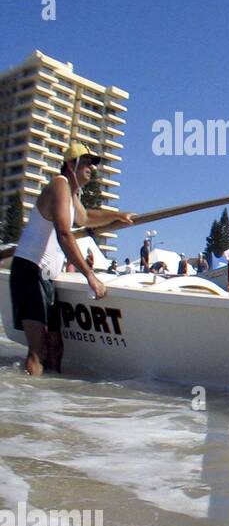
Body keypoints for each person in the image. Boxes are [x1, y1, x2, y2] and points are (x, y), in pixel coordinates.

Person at [7, 143, 135, 376]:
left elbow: (85, 218)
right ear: (70, 164)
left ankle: (51, 404)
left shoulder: (72, 193)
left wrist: (117, 215)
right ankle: (28, 403)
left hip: (45, 278)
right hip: (29, 271)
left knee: (56, 346)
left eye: (93, 164)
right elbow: (64, 233)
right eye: (86, 162)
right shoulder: (59, 185)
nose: (92, 168)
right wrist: (90, 277)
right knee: (39, 348)